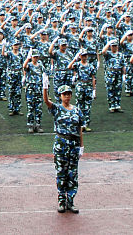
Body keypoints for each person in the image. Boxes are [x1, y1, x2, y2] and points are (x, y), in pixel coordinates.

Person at [43, 82, 84, 214]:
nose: (67, 96)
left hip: (74, 144)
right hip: (61, 144)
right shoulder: (57, 108)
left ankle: (70, 201)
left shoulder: (77, 110)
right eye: (64, 94)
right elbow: (46, 101)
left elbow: (80, 129)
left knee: (73, 174)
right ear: (60, 96)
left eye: (68, 94)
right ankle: (61, 201)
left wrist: (81, 146)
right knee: (61, 173)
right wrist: (45, 87)